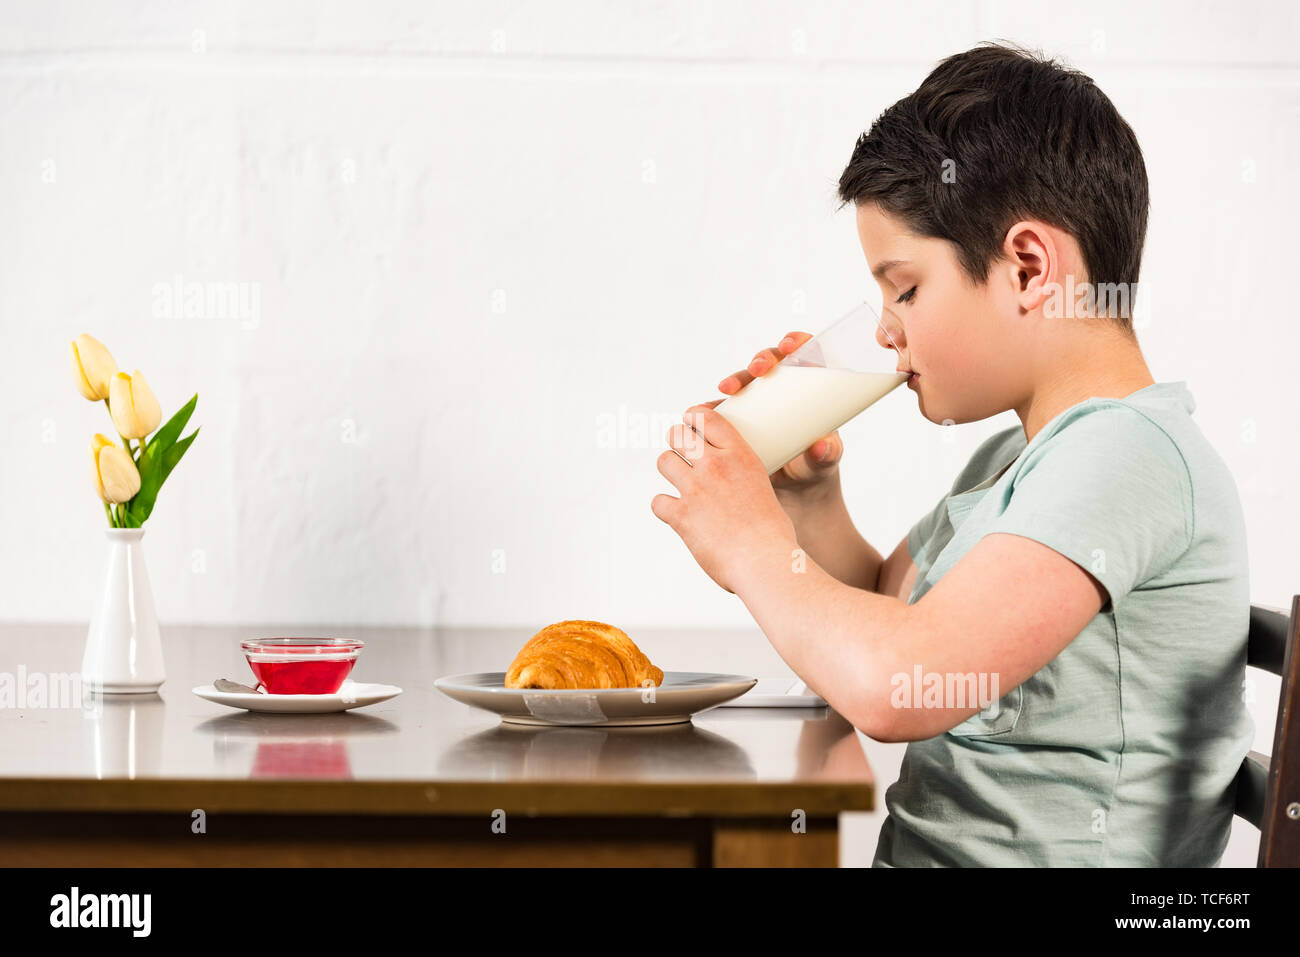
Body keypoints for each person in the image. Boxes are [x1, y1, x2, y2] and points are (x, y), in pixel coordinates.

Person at [651, 41, 1254, 867]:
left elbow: (897, 684)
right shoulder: (1022, 458)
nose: (886, 328)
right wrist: (806, 506)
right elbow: (887, 612)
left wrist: (754, 548)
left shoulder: (1129, 456)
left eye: (905, 288)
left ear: (1029, 267)